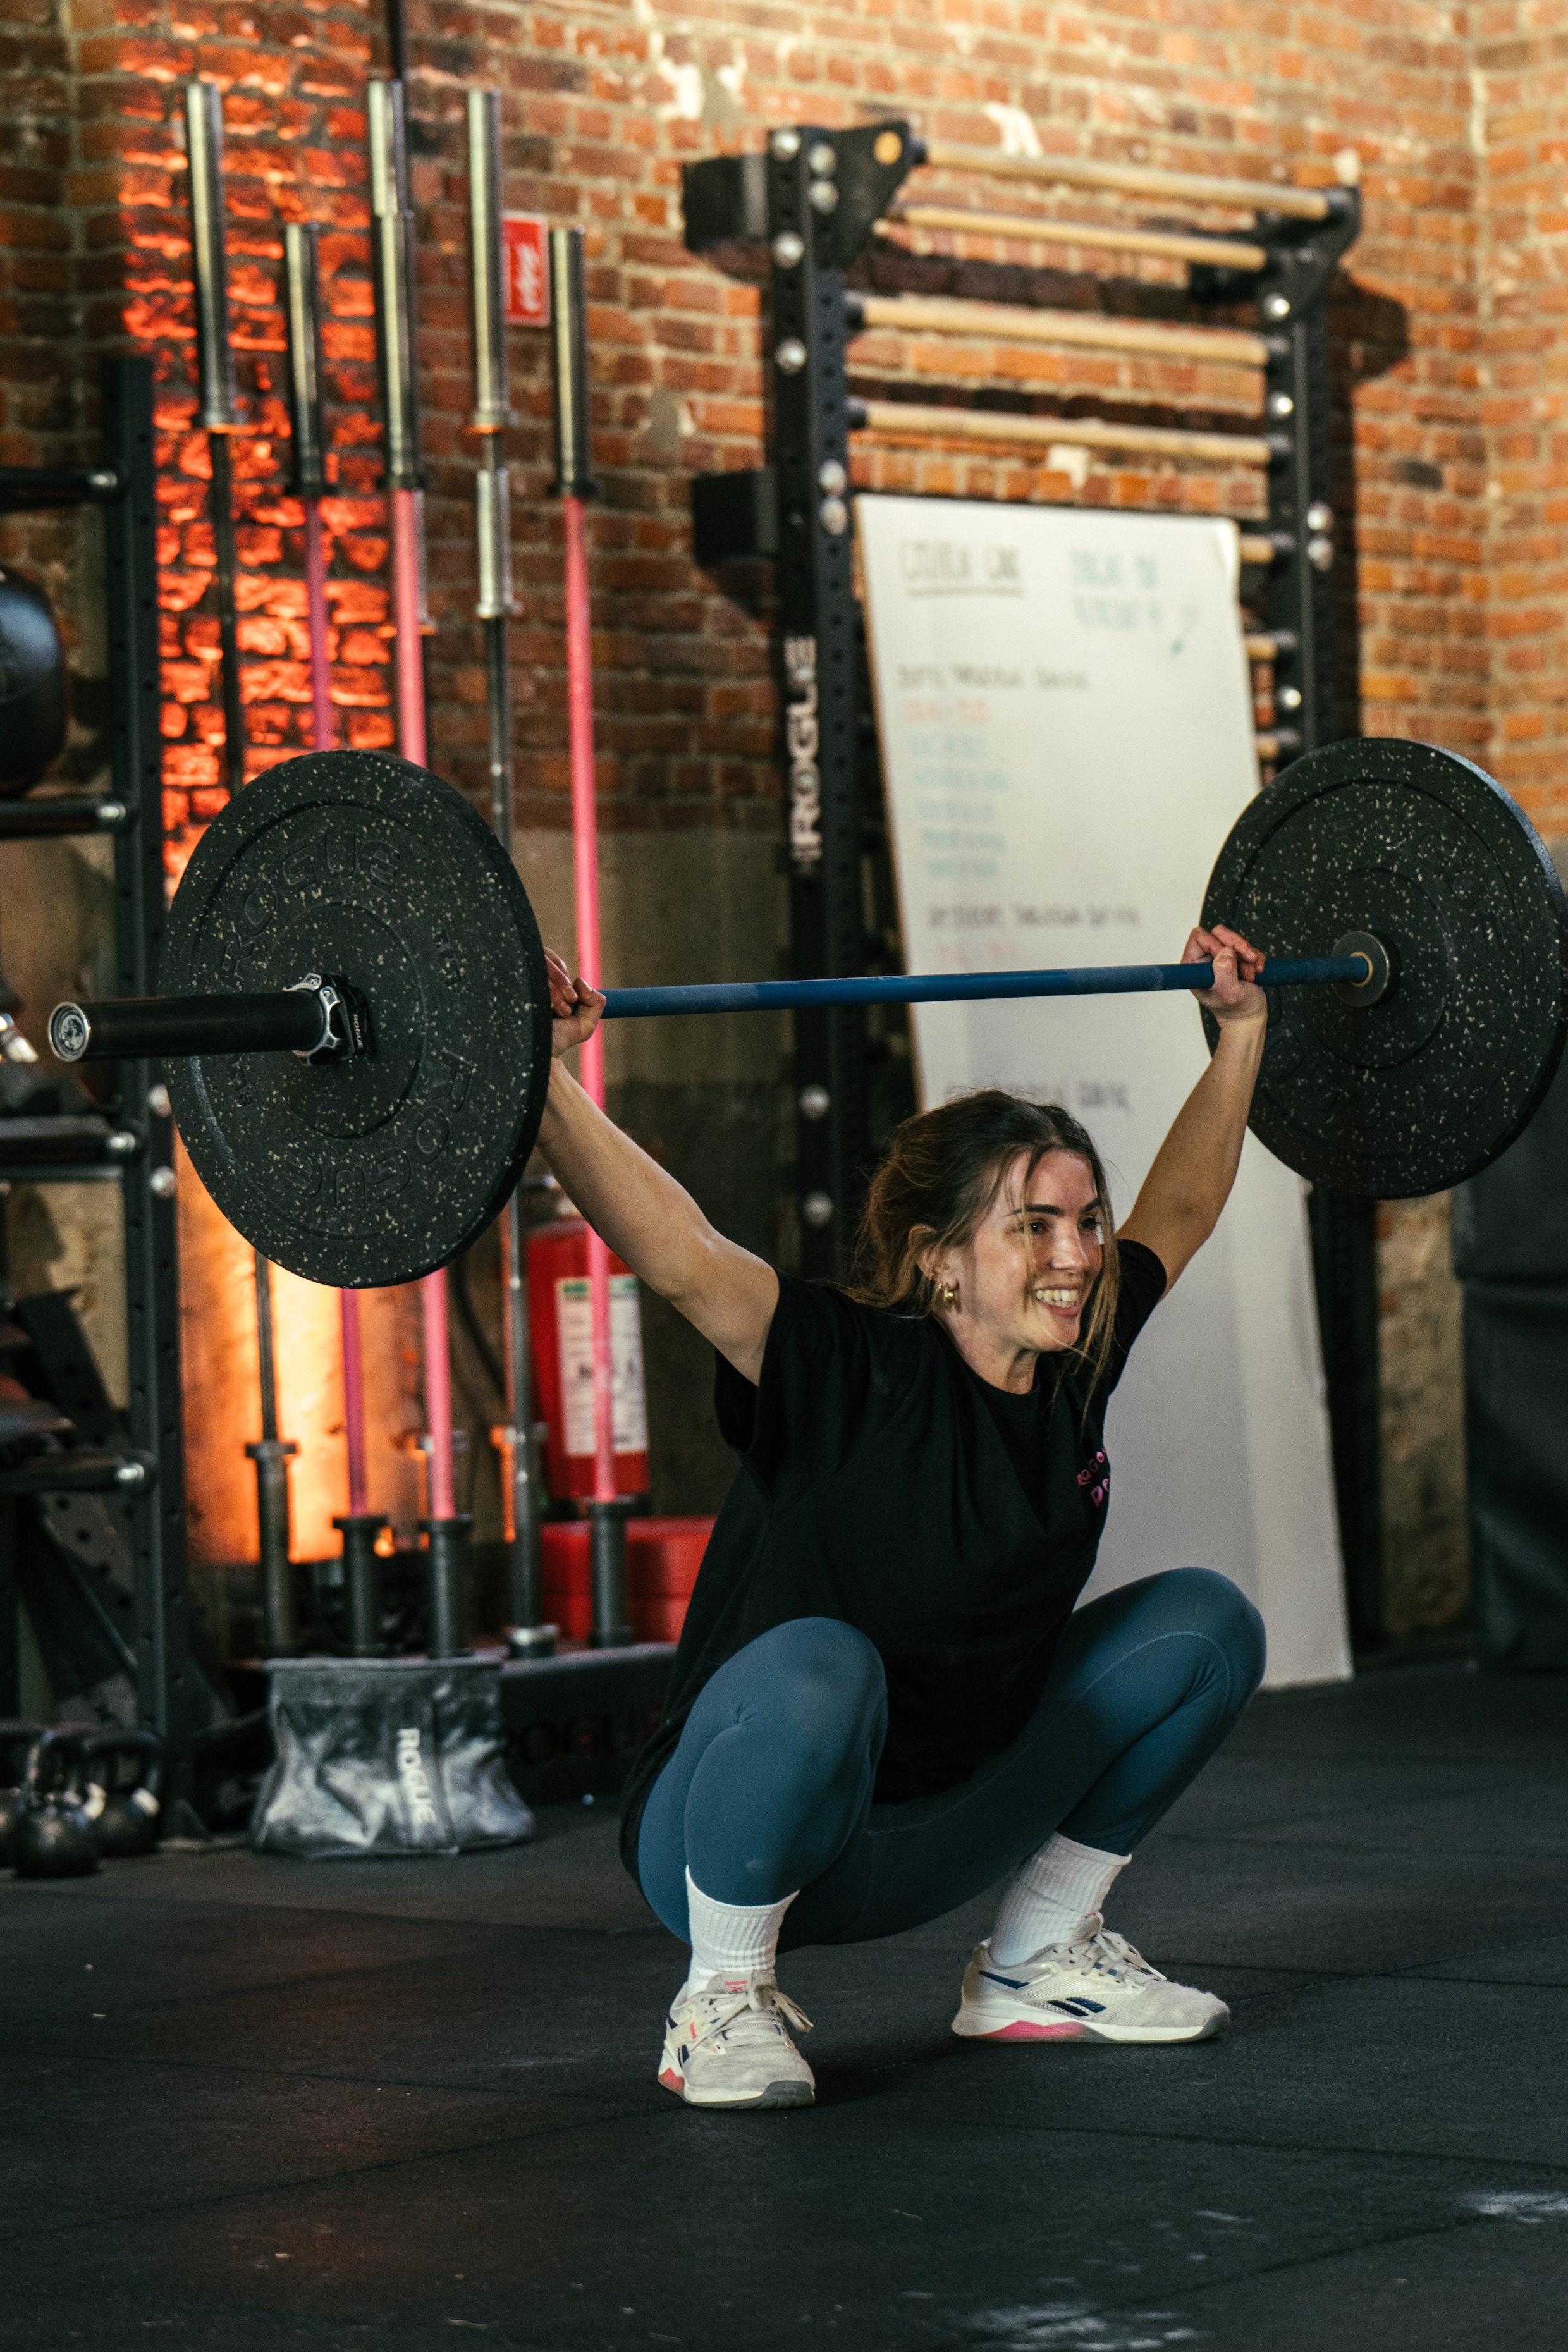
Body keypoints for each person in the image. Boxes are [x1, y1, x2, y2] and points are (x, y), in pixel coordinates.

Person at [537, 922, 1270, 2112]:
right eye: (1032, 1224)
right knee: (826, 1667)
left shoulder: (1075, 1357)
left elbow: (1180, 1205)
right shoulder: (845, 1366)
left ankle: (1039, 1962)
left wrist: (1237, 1038)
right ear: (940, 1262)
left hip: (931, 1834)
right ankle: (719, 1998)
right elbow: (679, 1256)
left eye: (1083, 1222)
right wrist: (545, 1084)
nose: (1076, 1255)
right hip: (736, 1842)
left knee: (1205, 1627)